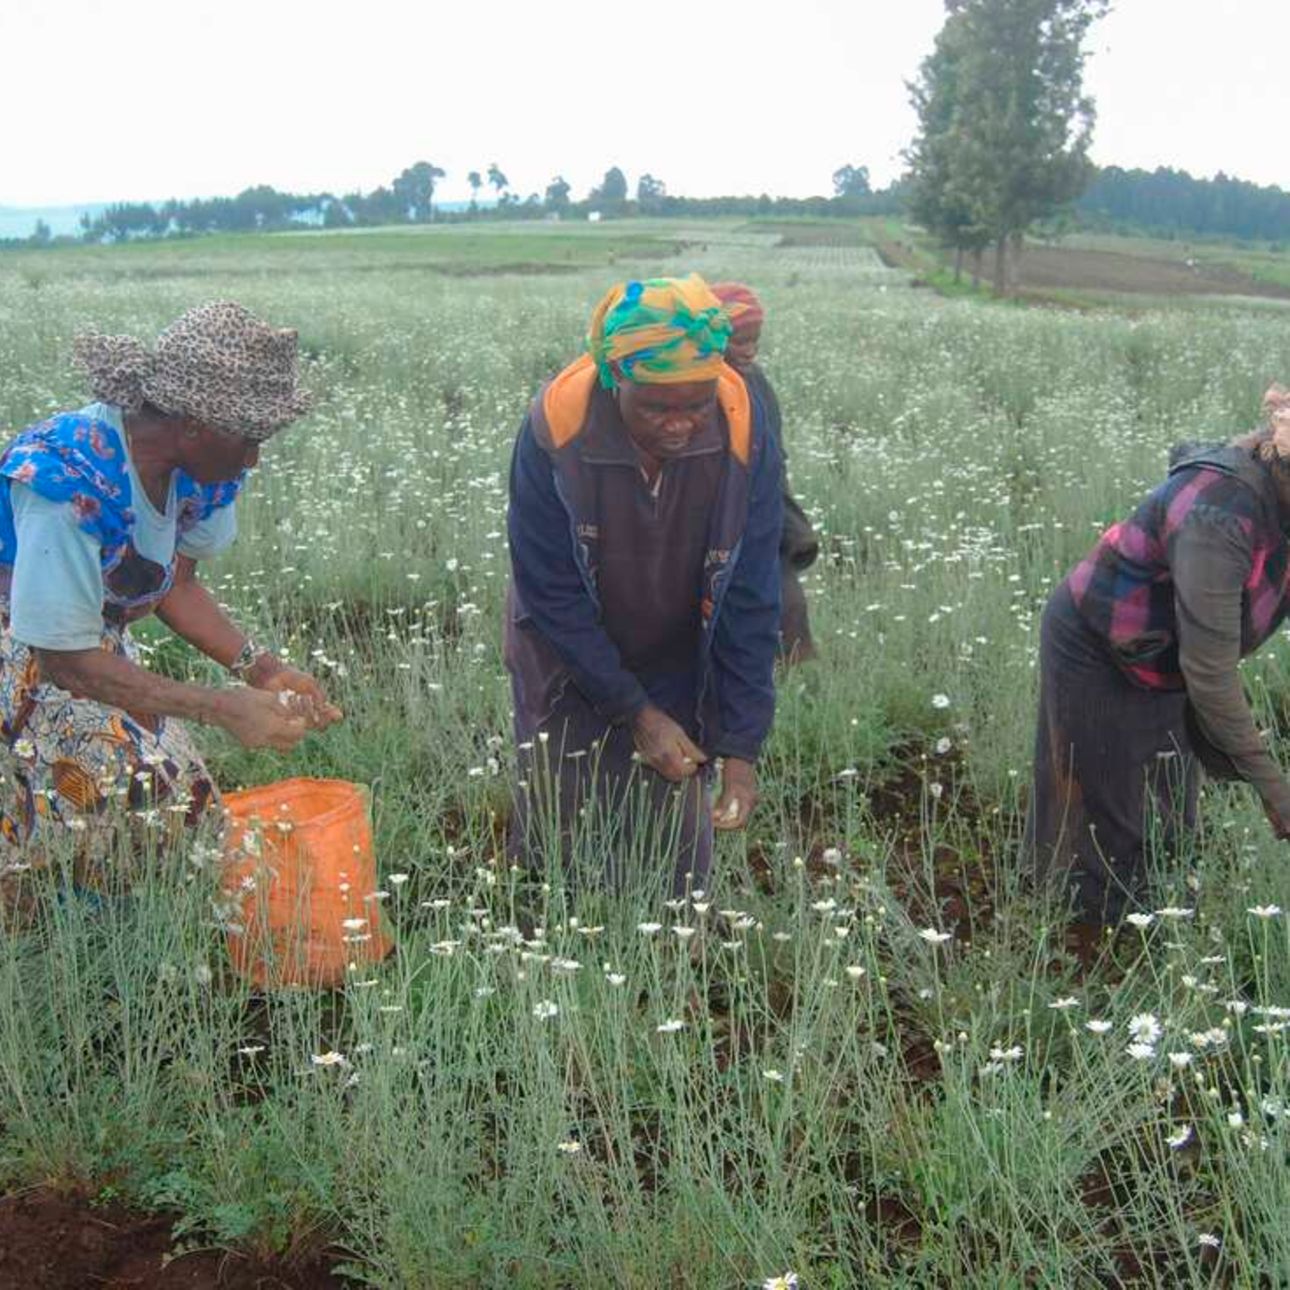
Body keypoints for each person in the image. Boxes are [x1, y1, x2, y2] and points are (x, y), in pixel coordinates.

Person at [0, 301, 340, 880]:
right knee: (119, 792)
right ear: (192, 425)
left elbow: (174, 584)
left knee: (177, 797)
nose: (255, 457)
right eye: (249, 438)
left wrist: (261, 671)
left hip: (84, 639)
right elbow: (63, 663)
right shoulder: (69, 482)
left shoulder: (198, 473)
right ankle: (61, 933)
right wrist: (221, 707)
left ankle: (96, 915)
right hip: (28, 644)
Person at [505, 274, 783, 895]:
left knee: (676, 842)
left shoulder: (742, 425)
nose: (681, 424)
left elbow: (750, 591)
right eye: (657, 406)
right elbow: (551, 590)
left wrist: (741, 743)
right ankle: (553, 938)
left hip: (681, 639)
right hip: (565, 647)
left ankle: (668, 957)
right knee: (561, 819)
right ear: (615, 380)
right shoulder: (557, 428)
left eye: (696, 403)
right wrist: (634, 711)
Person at [1027, 385, 1290, 926]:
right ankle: (1084, 944)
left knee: (1171, 810)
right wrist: (1276, 792)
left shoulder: (1280, 496)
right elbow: (1210, 675)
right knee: (1106, 813)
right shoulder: (1219, 517)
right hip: (1097, 643)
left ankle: (1157, 926)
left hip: (1165, 650)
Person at [711, 282, 819, 661]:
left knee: (779, 598)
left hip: (758, 507)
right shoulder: (693, 388)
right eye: (739, 341)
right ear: (711, 338)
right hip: (713, 515)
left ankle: (793, 674)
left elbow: (775, 457)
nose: (750, 350)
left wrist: (785, 519)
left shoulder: (754, 382)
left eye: (755, 340)